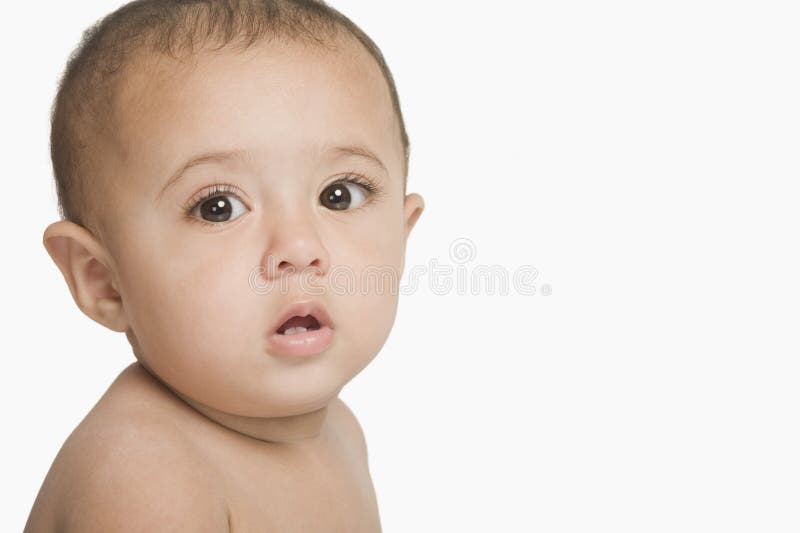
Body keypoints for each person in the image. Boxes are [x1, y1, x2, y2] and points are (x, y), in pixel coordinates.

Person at [24, 0, 424, 530]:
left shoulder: (342, 433)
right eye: (219, 207)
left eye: (339, 194)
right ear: (104, 281)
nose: (300, 248)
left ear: (403, 234)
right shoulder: (146, 479)